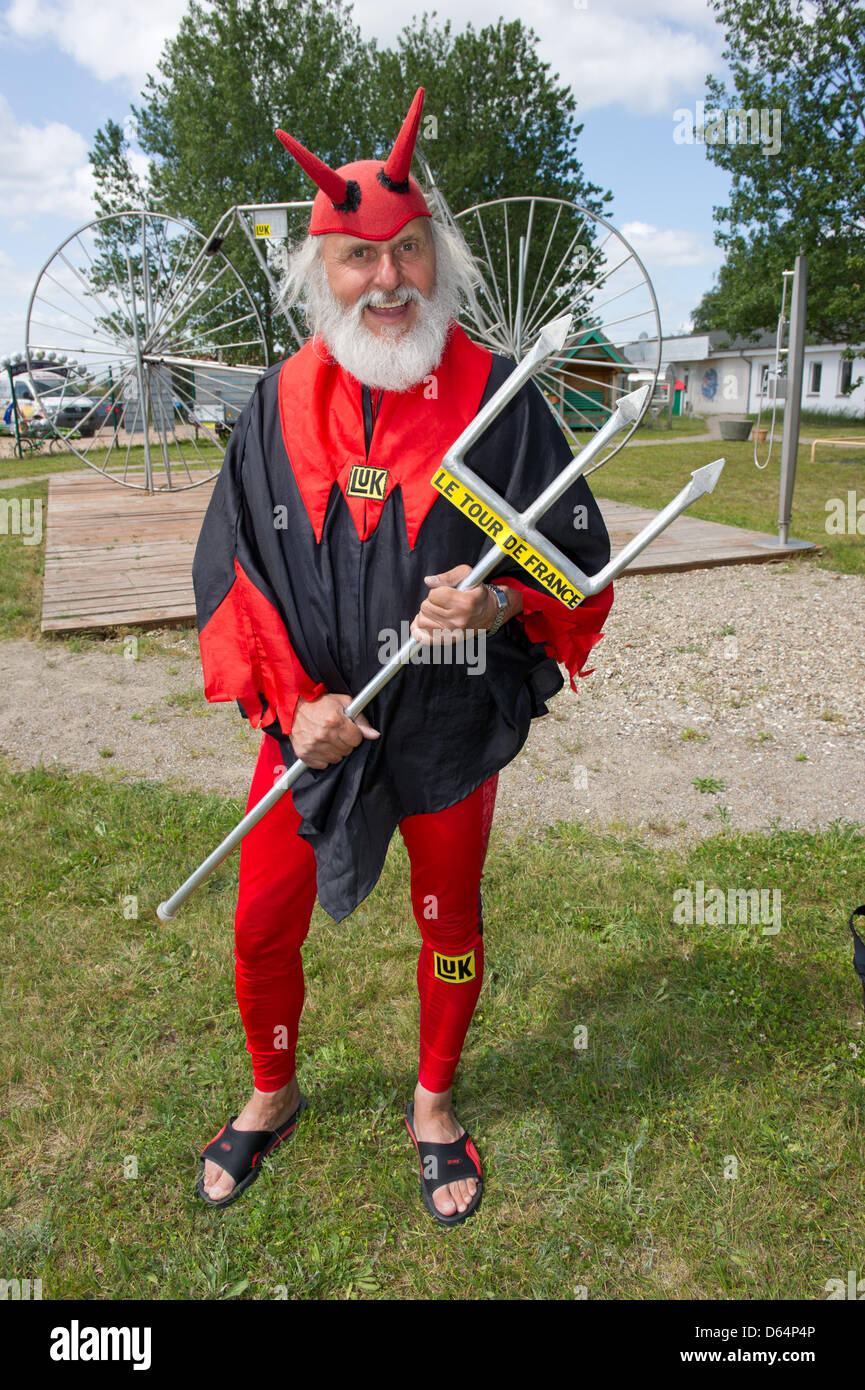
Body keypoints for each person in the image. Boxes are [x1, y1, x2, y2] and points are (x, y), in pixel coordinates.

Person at [191, 87, 614, 1225]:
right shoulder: (276, 403)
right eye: (359, 258)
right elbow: (230, 571)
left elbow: (577, 561)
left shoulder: (502, 398)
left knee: (450, 924)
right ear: (320, 272)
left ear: (440, 258)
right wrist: (296, 703)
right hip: (313, 725)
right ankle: (272, 1089)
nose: (388, 281)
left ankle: (432, 1103)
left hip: (445, 722)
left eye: (409, 250)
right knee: (259, 923)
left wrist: (498, 603)